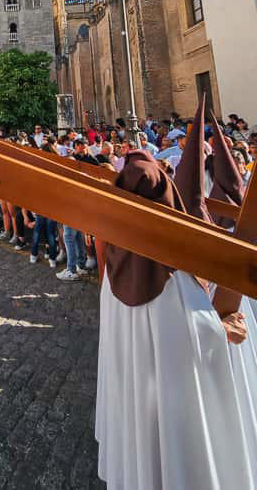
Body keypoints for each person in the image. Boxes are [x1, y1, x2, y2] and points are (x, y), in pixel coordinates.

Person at [95, 150, 254, 490]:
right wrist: (223, 327)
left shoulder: (113, 265)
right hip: (170, 396)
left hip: (136, 388)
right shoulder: (168, 273)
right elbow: (185, 333)